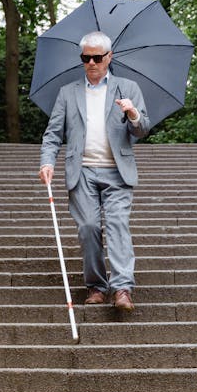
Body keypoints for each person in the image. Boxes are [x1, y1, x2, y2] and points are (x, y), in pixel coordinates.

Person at [39, 31, 151, 312]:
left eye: (97, 57)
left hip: (117, 171)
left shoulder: (128, 88)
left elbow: (142, 130)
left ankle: (122, 288)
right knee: (88, 227)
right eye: (86, 57)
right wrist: (47, 162)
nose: (91, 62)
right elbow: (53, 134)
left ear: (109, 57)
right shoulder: (68, 93)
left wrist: (133, 114)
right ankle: (96, 286)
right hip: (83, 171)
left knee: (117, 225)